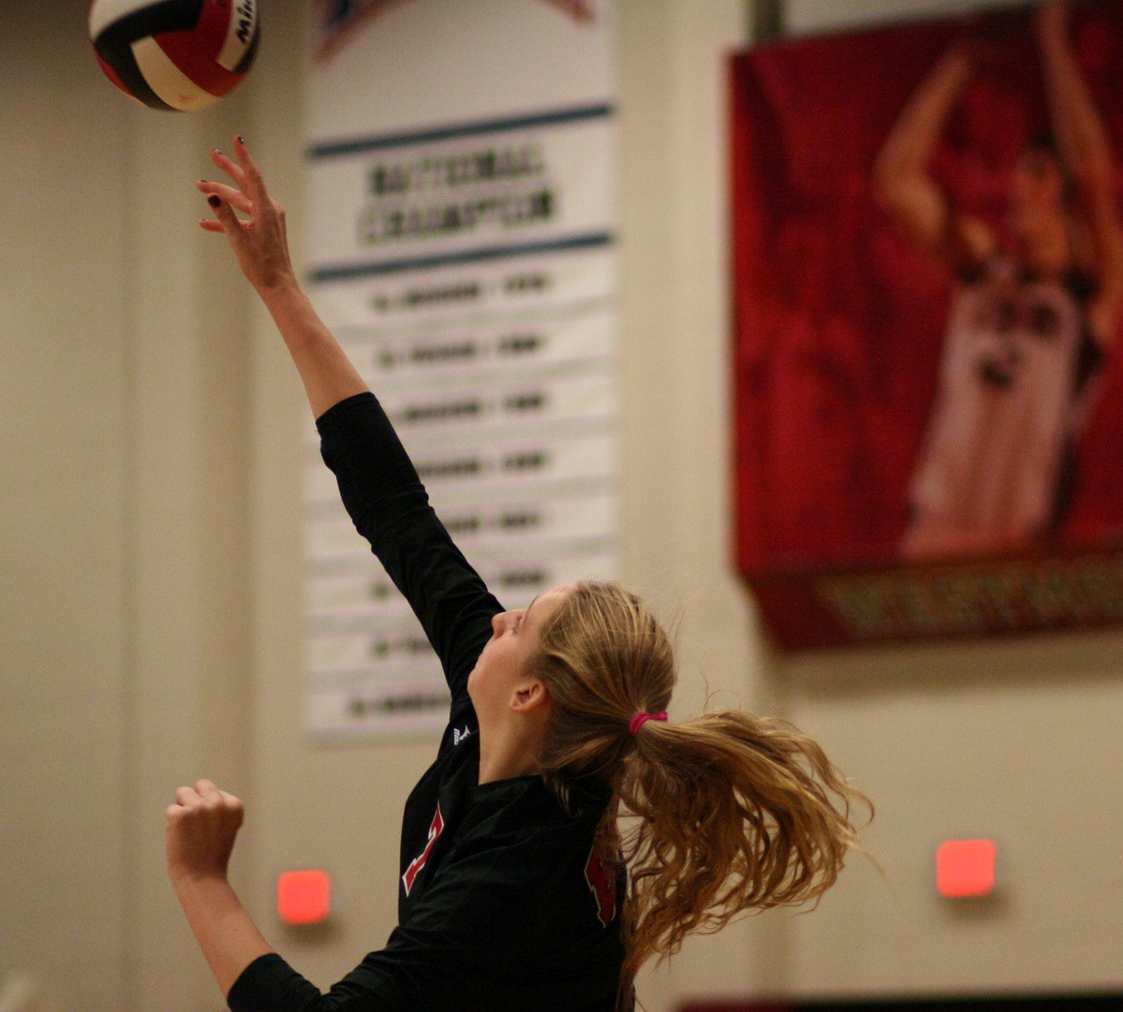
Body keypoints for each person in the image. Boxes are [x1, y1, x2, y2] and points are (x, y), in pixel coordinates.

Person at [165, 138, 867, 1011]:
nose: (494, 620)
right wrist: (277, 285)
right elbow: (394, 507)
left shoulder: (518, 875)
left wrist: (201, 881)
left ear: (532, 692)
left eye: (519, 622)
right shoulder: (506, 719)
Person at [874, 1, 1123, 560]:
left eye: (1037, 173)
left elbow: (1093, 174)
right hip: (937, 522)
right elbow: (897, 181)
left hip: (1021, 531)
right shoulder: (980, 269)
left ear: (1062, 193)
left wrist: (1053, 44)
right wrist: (959, 63)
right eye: (1019, 175)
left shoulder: (1088, 295)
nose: (1020, 187)